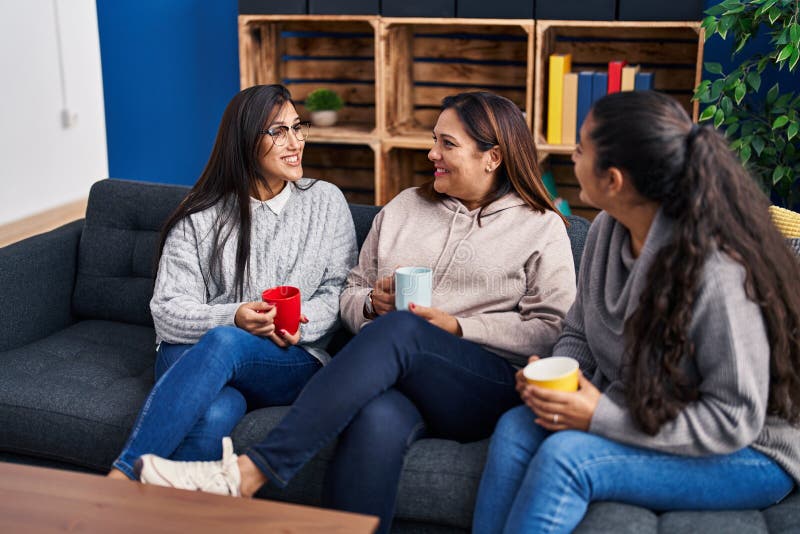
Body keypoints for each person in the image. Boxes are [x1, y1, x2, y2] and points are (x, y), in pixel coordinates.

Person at [132, 91, 578, 532]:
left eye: (447, 143)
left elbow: (552, 329)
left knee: (403, 328)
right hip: (396, 379)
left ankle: (253, 471)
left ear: (493, 157)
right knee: (375, 419)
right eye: (434, 139)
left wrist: (458, 326)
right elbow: (350, 292)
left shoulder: (540, 226)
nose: (431, 153)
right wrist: (368, 304)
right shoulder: (404, 208)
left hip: (483, 384)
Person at [472, 90, 800, 533]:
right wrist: (555, 378)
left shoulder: (716, 273)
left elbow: (731, 420)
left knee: (567, 459)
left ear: (614, 180)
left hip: (749, 452)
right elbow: (581, 332)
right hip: (646, 410)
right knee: (515, 427)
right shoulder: (607, 229)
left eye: (582, 148)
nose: (571, 155)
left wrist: (599, 417)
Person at [107, 84, 358, 481]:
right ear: (244, 141)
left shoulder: (326, 202)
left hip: (289, 359)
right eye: (278, 132)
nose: (295, 143)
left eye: (298, 127)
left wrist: (289, 321)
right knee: (217, 409)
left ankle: (121, 477)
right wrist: (235, 316)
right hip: (198, 356)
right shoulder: (201, 215)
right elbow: (168, 308)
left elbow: (337, 291)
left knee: (225, 342)